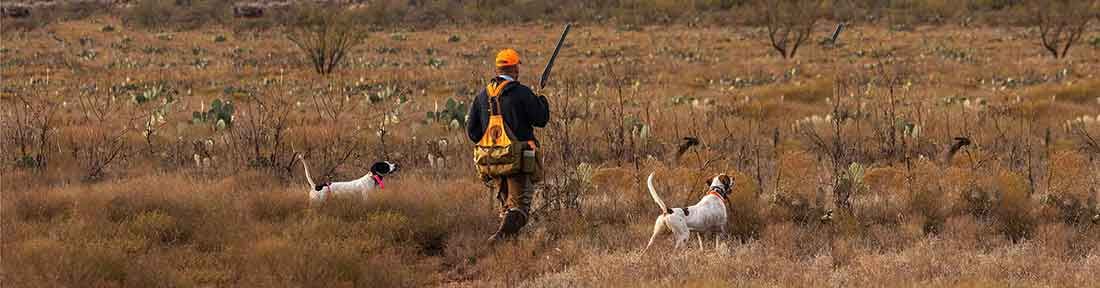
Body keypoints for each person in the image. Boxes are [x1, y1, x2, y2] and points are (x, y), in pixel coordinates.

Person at [466, 48, 550, 242]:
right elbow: (541, 119)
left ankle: (506, 249)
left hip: (492, 161)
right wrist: (542, 101)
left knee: (506, 204)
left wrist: (493, 145)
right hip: (518, 160)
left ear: (498, 69)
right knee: (520, 207)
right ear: (515, 68)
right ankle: (499, 239)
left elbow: (472, 131)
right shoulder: (521, 93)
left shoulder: (481, 96)